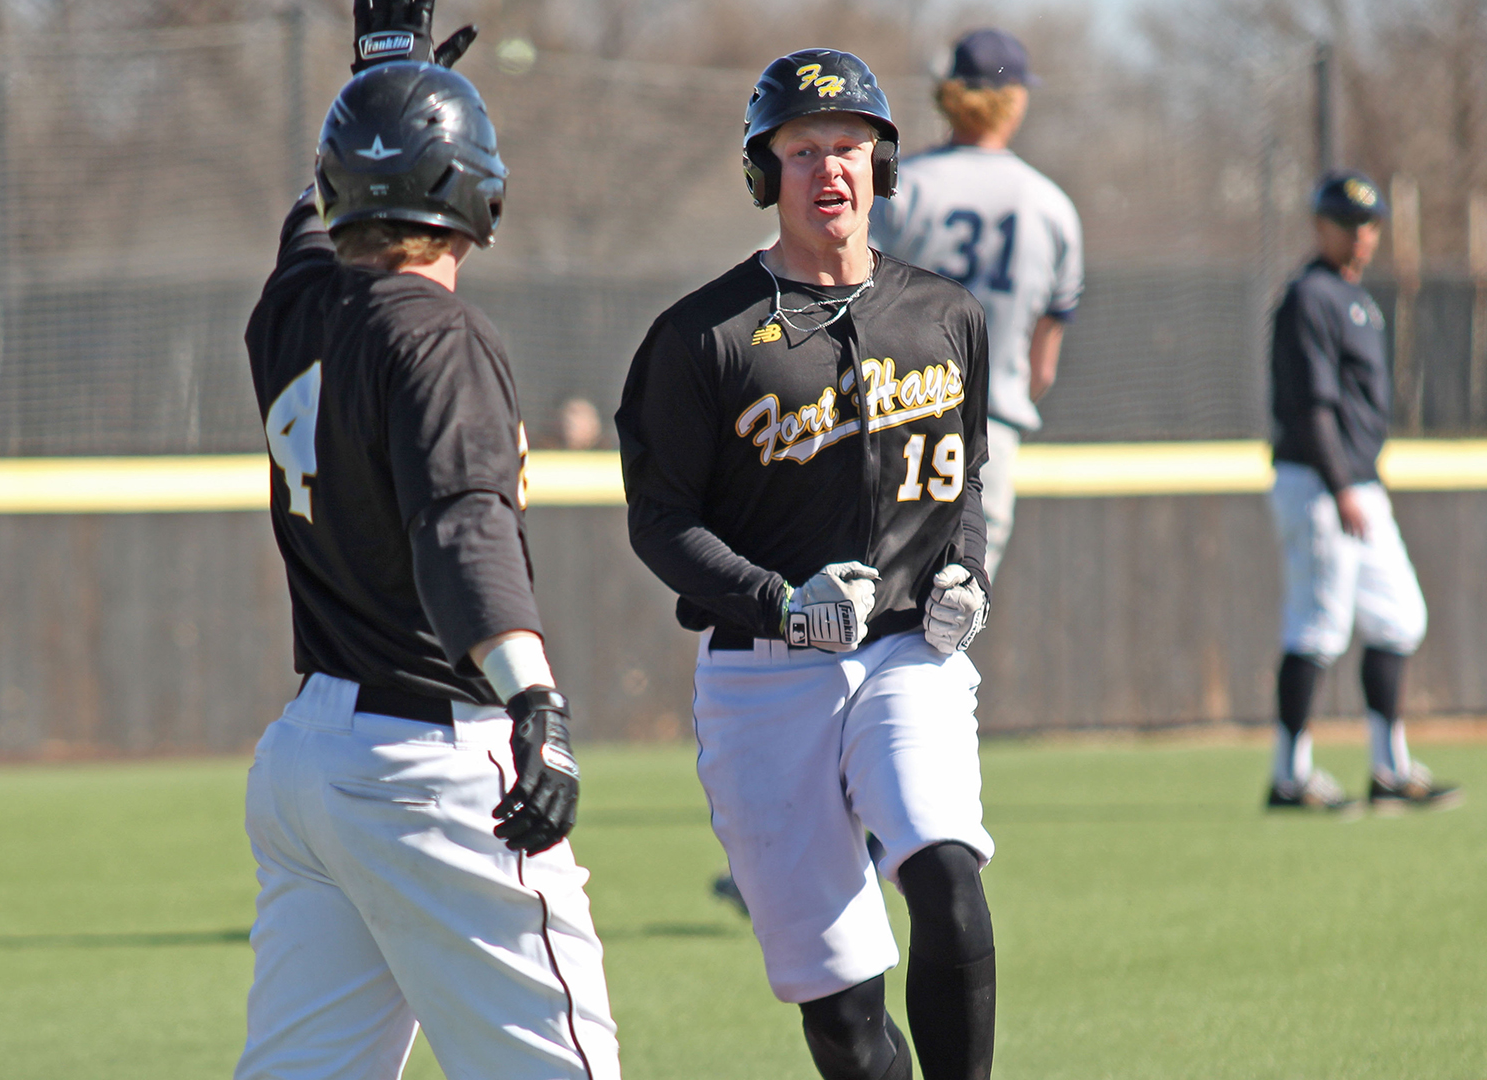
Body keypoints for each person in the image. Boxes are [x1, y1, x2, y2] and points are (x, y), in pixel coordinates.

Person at [236, 5, 619, 1077]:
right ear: (474, 191)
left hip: (312, 765)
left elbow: (306, 219)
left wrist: (381, 73)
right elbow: (462, 531)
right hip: (430, 767)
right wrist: (535, 698)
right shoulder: (435, 331)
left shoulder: (292, 313)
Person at [616, 48, 997, 1080]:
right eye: (803, 150)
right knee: (842, 1013)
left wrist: (966, 571)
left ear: (883, 168)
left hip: (909, 658)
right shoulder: (701, 337)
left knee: (946, 864)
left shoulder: (948, 316)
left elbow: (963, 480)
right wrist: (781, 605)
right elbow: (659, 522)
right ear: (762, 174)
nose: (831, 169)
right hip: (760, 678)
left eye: (852, 148)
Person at [1264, 170, 1457, 813]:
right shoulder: (1310, 297)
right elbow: (1315, 406)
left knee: (1399, 617)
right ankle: (1289, 777)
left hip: (1355, 484)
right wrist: (1343, 485)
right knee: (1317, 625)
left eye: (1370, 223)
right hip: (1324, 482)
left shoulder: (1354, 297)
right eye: (1349, 224)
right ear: (1322, 226)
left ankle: (1389, 769)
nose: (1363, 235)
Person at [871, 27, 1083, 577]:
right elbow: (1043, 366)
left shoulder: (901, 188)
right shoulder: (1052, 206)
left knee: (874, 603)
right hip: (991, 428)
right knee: (958, 607)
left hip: (893, 419)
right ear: (1012, 102)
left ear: (950, 95)